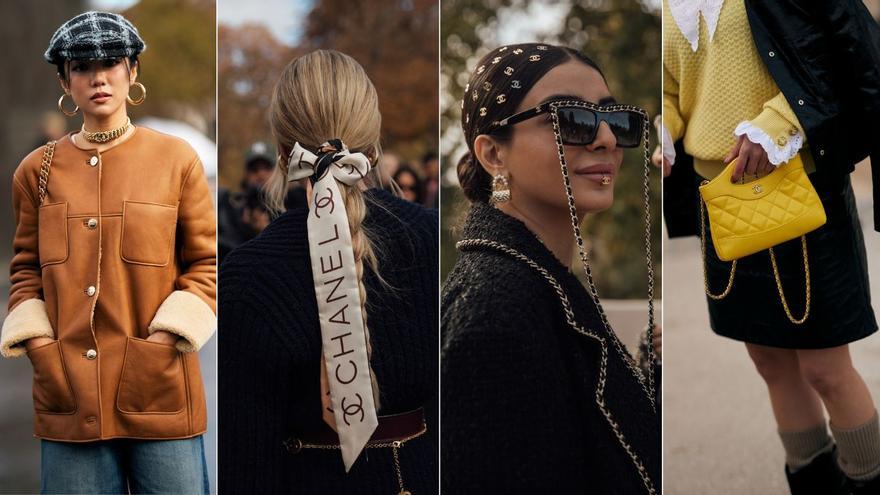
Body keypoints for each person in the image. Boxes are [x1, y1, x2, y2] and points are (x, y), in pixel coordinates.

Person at [662, 1, 880, 493]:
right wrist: (665, 128)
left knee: (825, 369)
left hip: (799, 185)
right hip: (719, 200)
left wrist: (778, 124)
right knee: (769, 360)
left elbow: (832, 58)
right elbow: (673, 89)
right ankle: (813, 482)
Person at [0, 11, 216, 494]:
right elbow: (26, 272)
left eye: (111, 62)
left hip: (162, 395)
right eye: (81, 67)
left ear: (132, 70)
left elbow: (206, 265)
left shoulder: (177, 160)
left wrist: (164, 343)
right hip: (68, 399)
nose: (98, 77)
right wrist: (42, 350)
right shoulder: (35, 171)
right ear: (65, 81)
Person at [441, 43, 660, 493]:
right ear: (493, 154)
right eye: (570, 120)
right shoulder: (493, 319)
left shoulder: (541, 278)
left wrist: (645, 372)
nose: (606, 139)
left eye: (615, 119)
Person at [219, 49, 438, 493]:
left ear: (284, 153)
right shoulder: (433, 238)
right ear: (372, 146)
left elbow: (245, 466)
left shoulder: (248, 275)